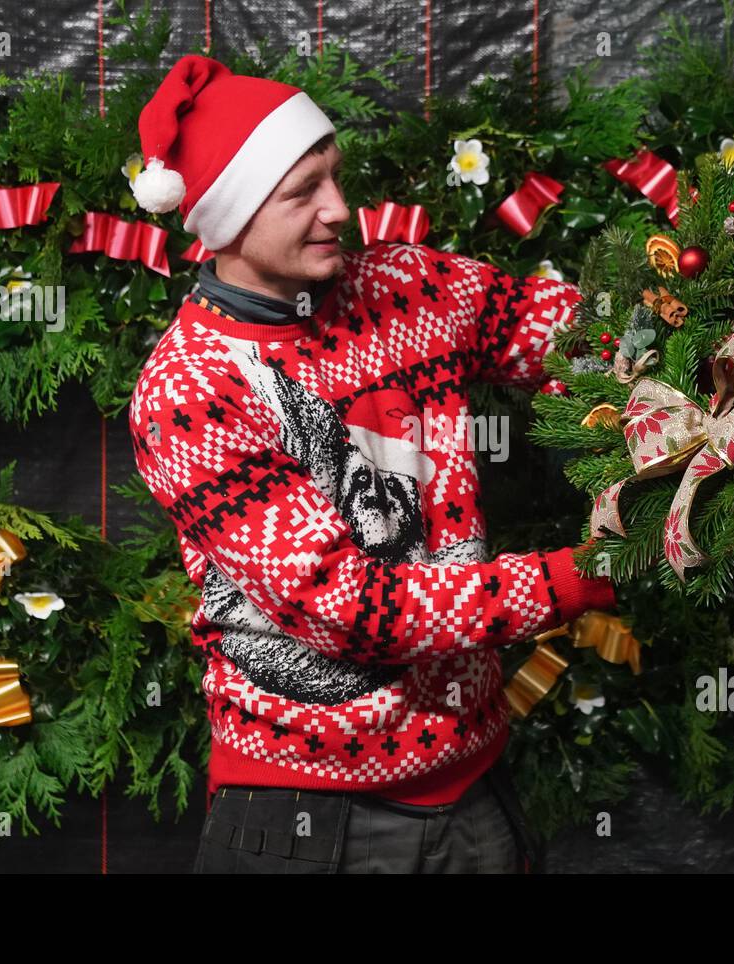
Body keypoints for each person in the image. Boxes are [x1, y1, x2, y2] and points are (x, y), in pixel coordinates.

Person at [128, 54, 617, 874]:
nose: (339, 210)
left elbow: (572, 335)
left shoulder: (406, 285)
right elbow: (354, 611)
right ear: (230, 218)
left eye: (336, 177)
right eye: (302, 192)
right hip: (312, 813)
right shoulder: (189, 390)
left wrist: (718, 328)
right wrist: (581, 577)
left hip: (473, 784)